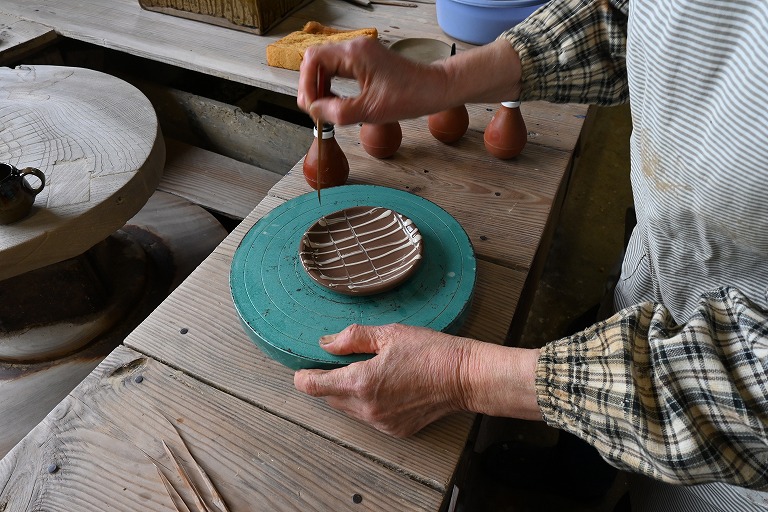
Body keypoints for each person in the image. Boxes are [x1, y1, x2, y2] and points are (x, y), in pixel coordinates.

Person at [293, 0, 768, 510]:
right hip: (667, 260)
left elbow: (749, 395)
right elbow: (629, 15)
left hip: (736, 461)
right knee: (598, 434)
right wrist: (441, 82)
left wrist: (463, 377)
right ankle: (578, 475)